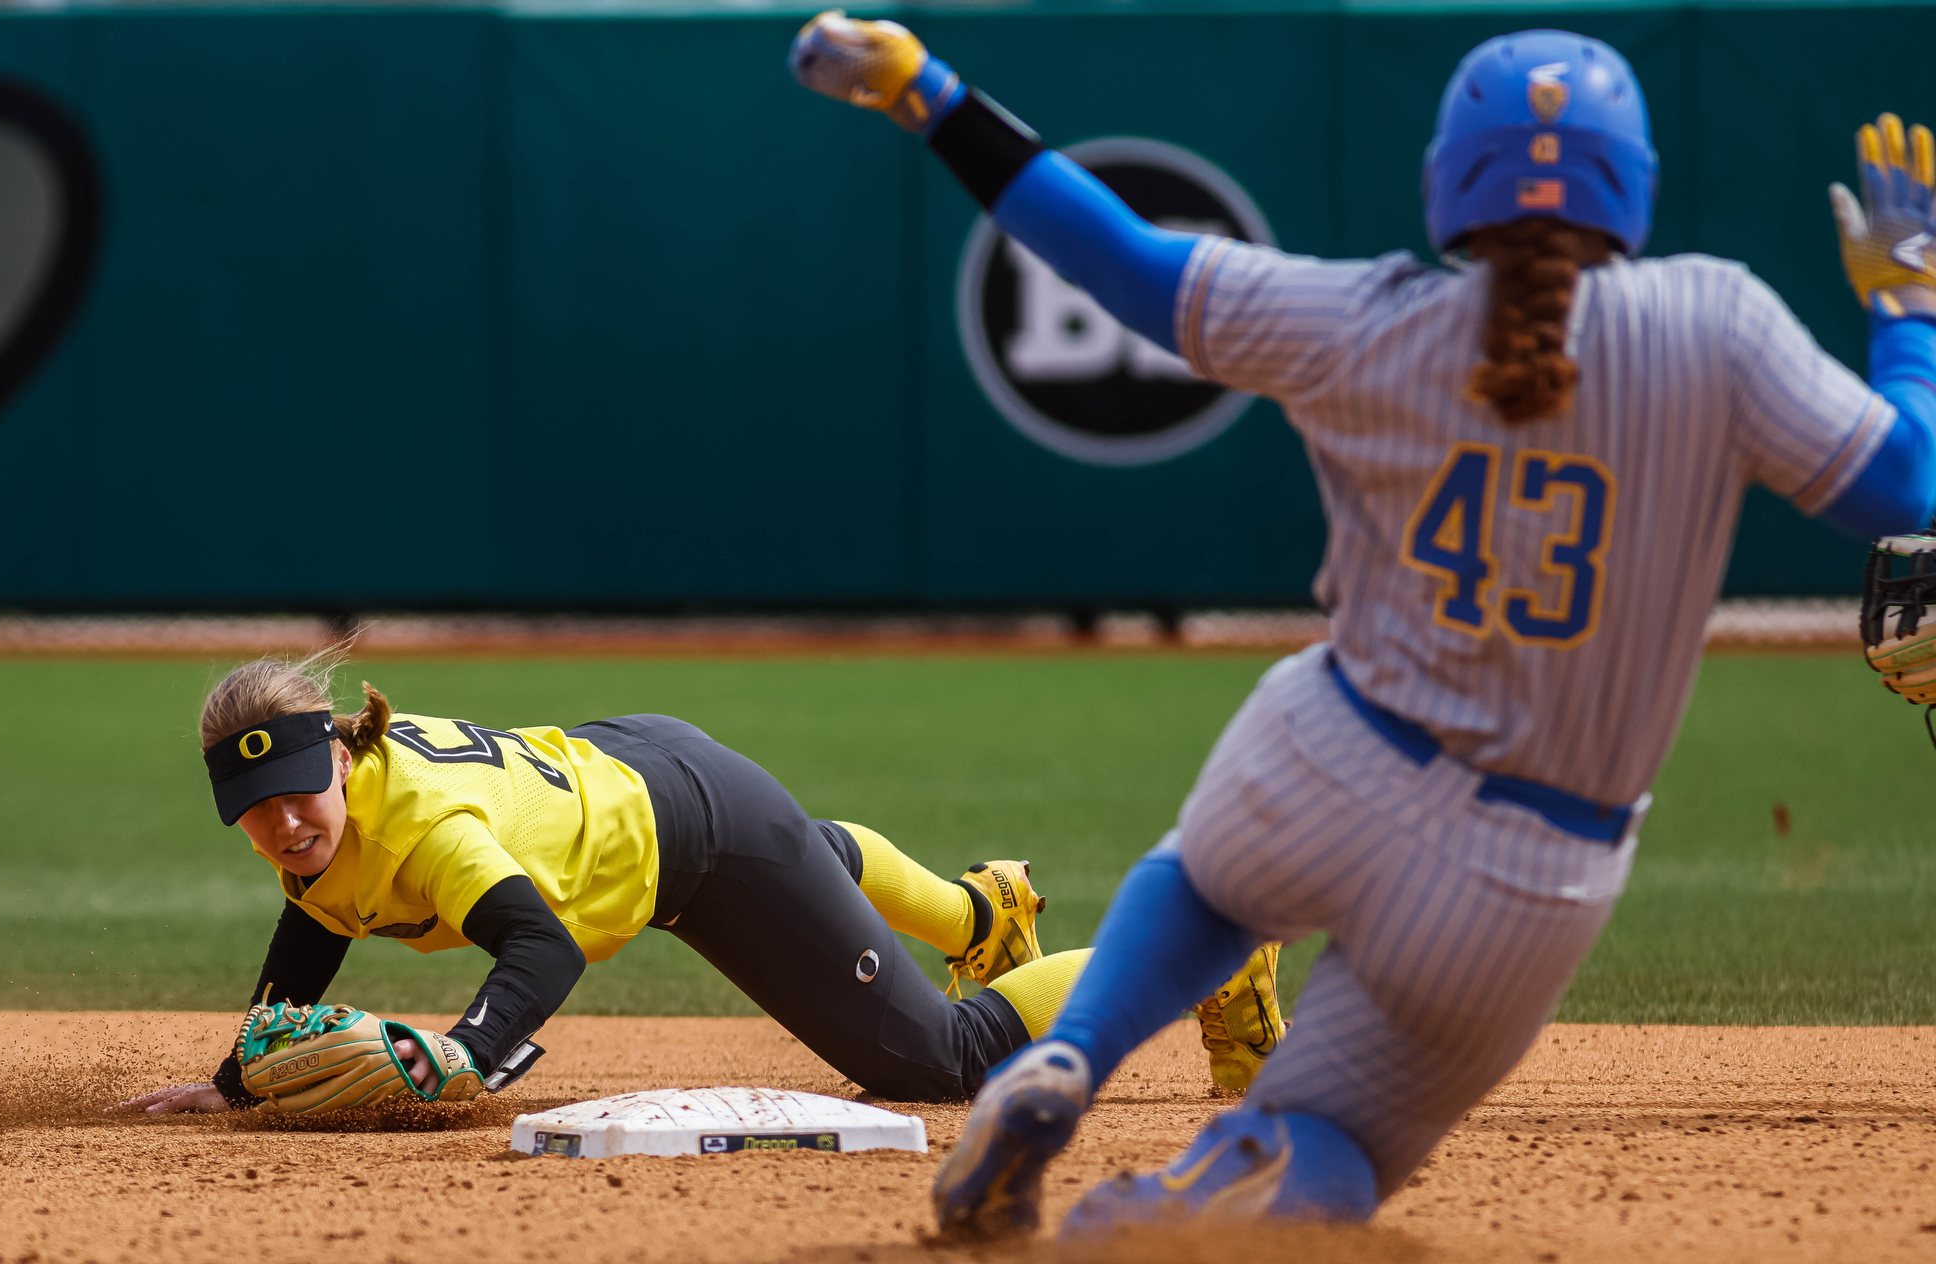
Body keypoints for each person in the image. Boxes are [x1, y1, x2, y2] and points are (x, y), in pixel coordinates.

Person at [790, 16, 1936, 1235]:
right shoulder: (1716, 324)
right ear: (1634, 183)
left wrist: (932, 95)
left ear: (1448, 179)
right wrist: (1907, 300)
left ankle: (1067, 1054)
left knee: (1210, 889)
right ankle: (1199, 1193)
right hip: (1532, 859)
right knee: (1333, 1132)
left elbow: (1121, 260)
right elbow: (1905, 482)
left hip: (1333, 751)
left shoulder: (1364, 318)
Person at [114, 652, 1281, 1114]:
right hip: (633, 758)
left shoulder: (429, 829)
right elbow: (311, 926)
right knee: (808, 868)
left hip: (698, 838)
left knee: (936, 1064)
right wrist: (236, 1078)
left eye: (294, 795)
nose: (279, 824)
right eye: (251, 813)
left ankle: (1214, 949)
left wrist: (470, 1052)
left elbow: (543, 950)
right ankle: (980, 912)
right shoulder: (323, 815)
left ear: (336, 757)